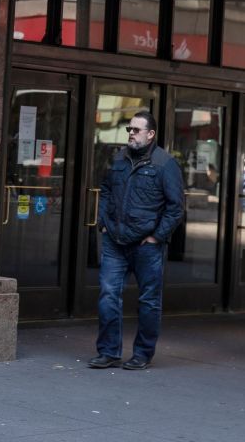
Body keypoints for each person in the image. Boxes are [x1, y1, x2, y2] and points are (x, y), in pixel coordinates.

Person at [91, 109, 184, 371]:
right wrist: (104, 223)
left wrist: (157, 236)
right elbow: (106, 190)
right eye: (129, 129)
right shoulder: (118, 159)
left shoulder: (165, 164)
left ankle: (142, 354)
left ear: (150, 134)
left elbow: (176, 207)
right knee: (108, 295)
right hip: (115, 242)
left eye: (136, 130)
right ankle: (108, 352)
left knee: (149, 300)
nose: (131, 133)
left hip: (146, 245)